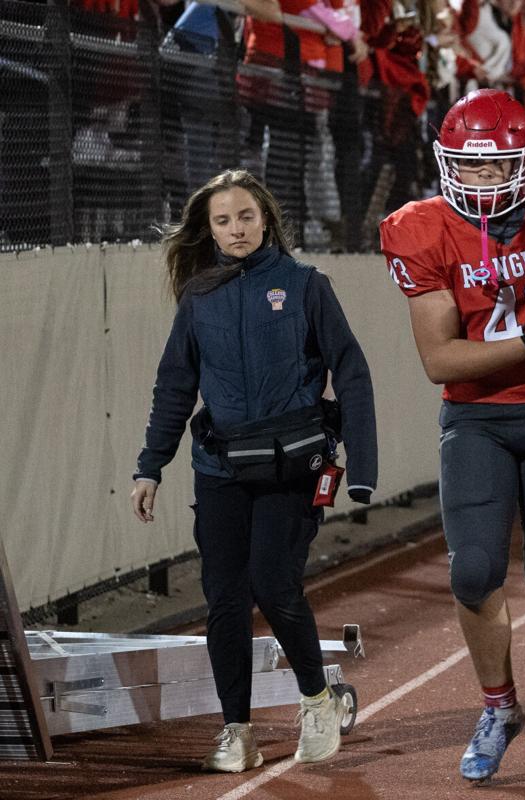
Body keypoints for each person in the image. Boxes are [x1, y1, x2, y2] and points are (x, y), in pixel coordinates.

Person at [378, 88, 525, 791]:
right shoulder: (420, 228)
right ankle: (499, 707)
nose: (479, 181)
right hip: (476, 415)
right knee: (474, 572)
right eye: (466, 168)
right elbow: (441, 361)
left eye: (495, 166)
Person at [131, 169, 378, 772]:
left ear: (265, 217)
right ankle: (236, 728)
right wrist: (150, 466)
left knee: (274, 584)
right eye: (222, 220)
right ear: (208, 229)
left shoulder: (304, 285)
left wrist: (364, 467)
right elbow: (175, 384)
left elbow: (351, 372)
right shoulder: (198, 296)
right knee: (224, 599)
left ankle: (317, 701)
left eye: (245, 216)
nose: (235, 229)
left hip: (292, 468)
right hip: (220, 468)